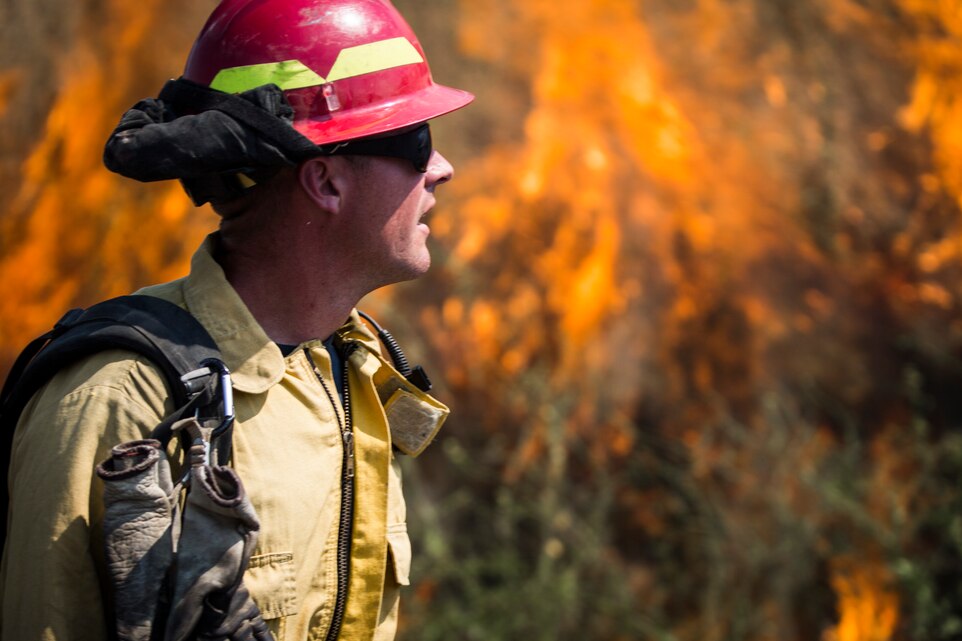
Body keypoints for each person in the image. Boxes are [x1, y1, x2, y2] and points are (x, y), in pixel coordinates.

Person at [0, 0, 473, 638]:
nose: (442, 169)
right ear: (326, 182)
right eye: (417, 143)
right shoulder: (121, 399)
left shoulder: (344, 372)